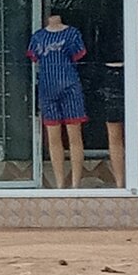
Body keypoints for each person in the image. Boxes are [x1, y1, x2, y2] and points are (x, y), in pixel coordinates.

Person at [27, 14, 86, 189]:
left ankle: (76, 183)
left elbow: (78, 54)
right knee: (53, 137)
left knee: (74, 135)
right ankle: (60, 182)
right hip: (47, 88)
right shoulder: (38, 36)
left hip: (70, 87)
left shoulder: (73, 33)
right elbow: (34, 56)